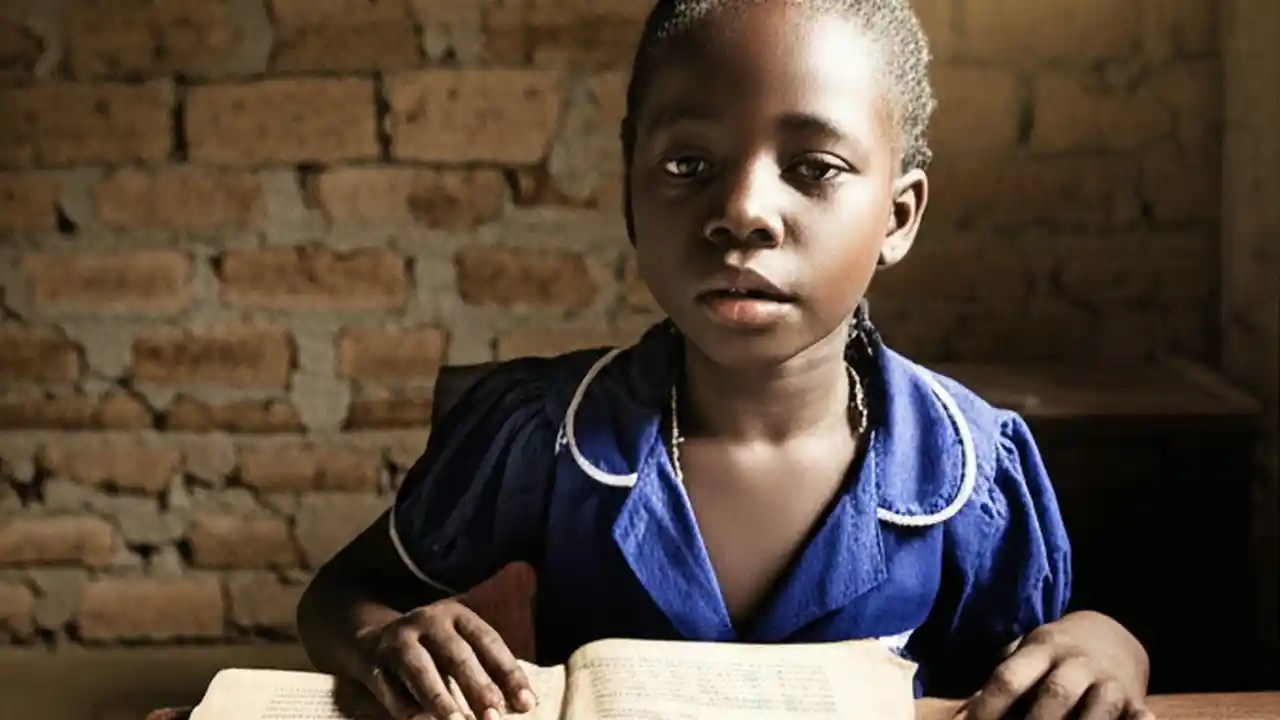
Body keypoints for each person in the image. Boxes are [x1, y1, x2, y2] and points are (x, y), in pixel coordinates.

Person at [297, 1, 1152, 718]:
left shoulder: (971, 470)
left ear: (897, 217)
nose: (742, 211)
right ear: (631, 189)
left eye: (813, 167)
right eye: (687, 163)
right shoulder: (541, 435)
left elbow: (1034, 672)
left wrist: (1110, 642)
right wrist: (383, 635)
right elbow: (340, 596)